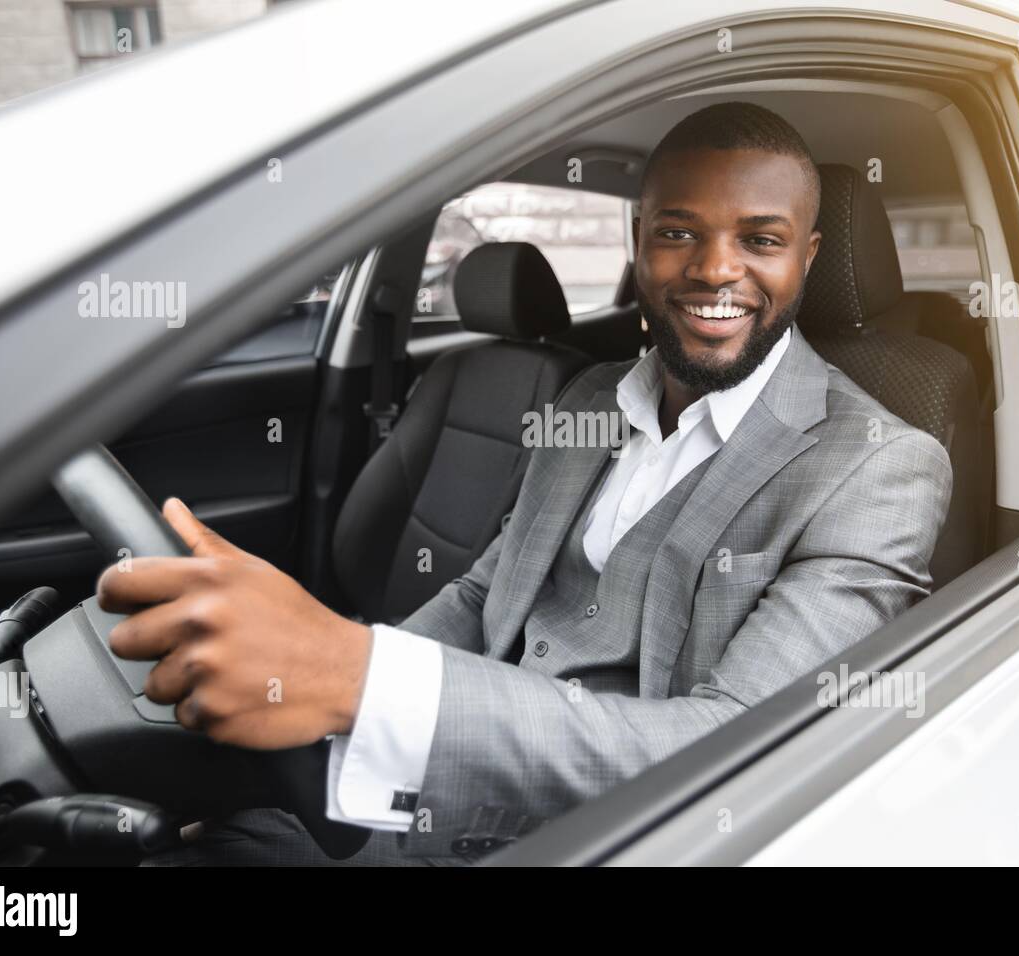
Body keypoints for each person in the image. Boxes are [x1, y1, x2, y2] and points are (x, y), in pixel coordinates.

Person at [101, 102, 953, 865]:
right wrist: (332, 704)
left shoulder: (878, 465)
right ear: (638, 241)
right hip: (426, 796)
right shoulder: (587, 398)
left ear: (806, 257)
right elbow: (483, 594)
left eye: (760, 240)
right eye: (678, 232)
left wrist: (357, 675)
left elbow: (736, 750)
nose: (714, 270)